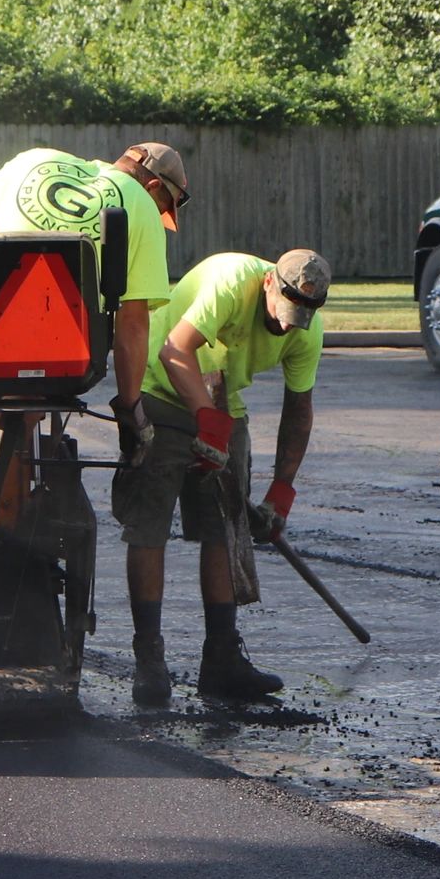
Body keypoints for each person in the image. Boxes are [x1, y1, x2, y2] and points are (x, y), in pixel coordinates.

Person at [0, 143, 187, 545]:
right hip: (59, 350)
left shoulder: (36, 159)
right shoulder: (141, 209)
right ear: (152, 185)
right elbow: (133, 324)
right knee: (37, 389)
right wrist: (130, 405)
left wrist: (4, 255)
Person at [117, 248, 331, 706]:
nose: (288, 326)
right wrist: (206, 422)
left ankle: (220, 660)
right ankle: (149, 659)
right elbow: (175, 349)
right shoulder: (232, 283)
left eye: (300, 318)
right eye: (284, 313)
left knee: (225, 531)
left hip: (223, 402)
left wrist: (282, 489)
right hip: (161, 388)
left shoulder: (304, 331)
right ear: (270, 284)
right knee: (150, 525)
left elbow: (299, 409)